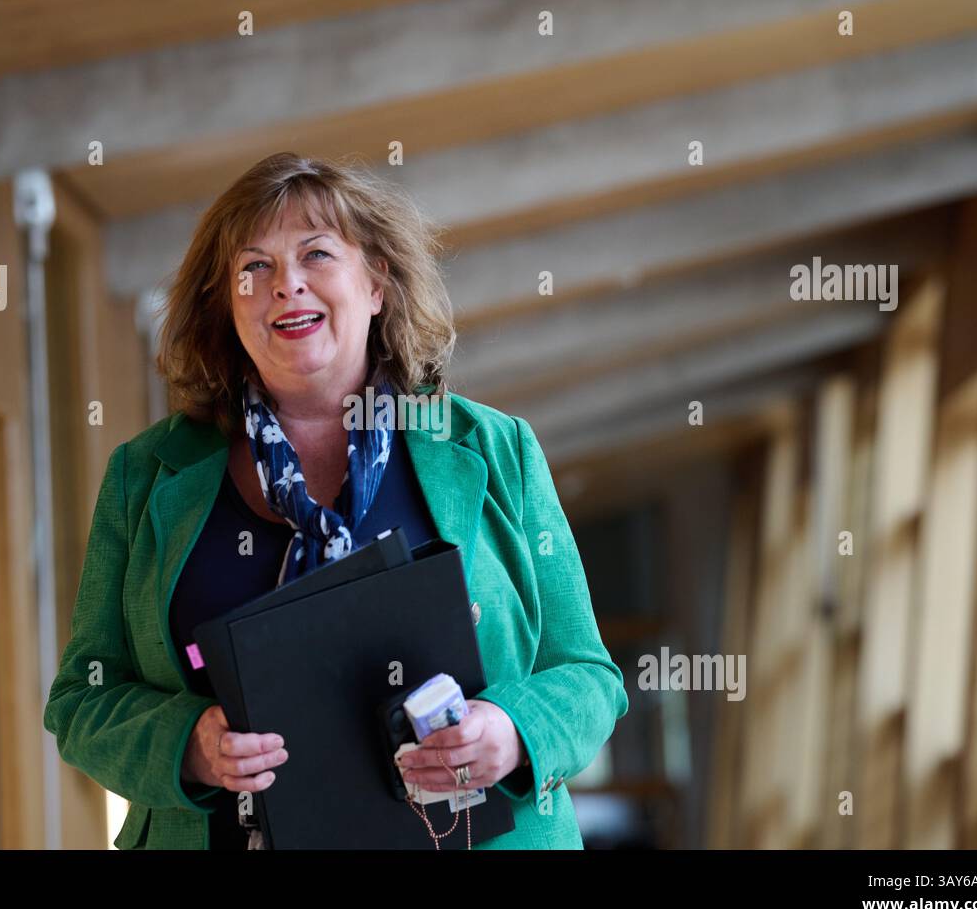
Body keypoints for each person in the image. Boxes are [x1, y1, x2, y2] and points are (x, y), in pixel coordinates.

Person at [43, 151, 629, 849]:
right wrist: (187, 745)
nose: (285, 285)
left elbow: (589, 676)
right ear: (227, 308)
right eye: (253, 268)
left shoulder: (496, 449)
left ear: (377, 283)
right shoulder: (145, 477)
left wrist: (513, 731)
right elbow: (83, 700)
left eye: (316, 254)